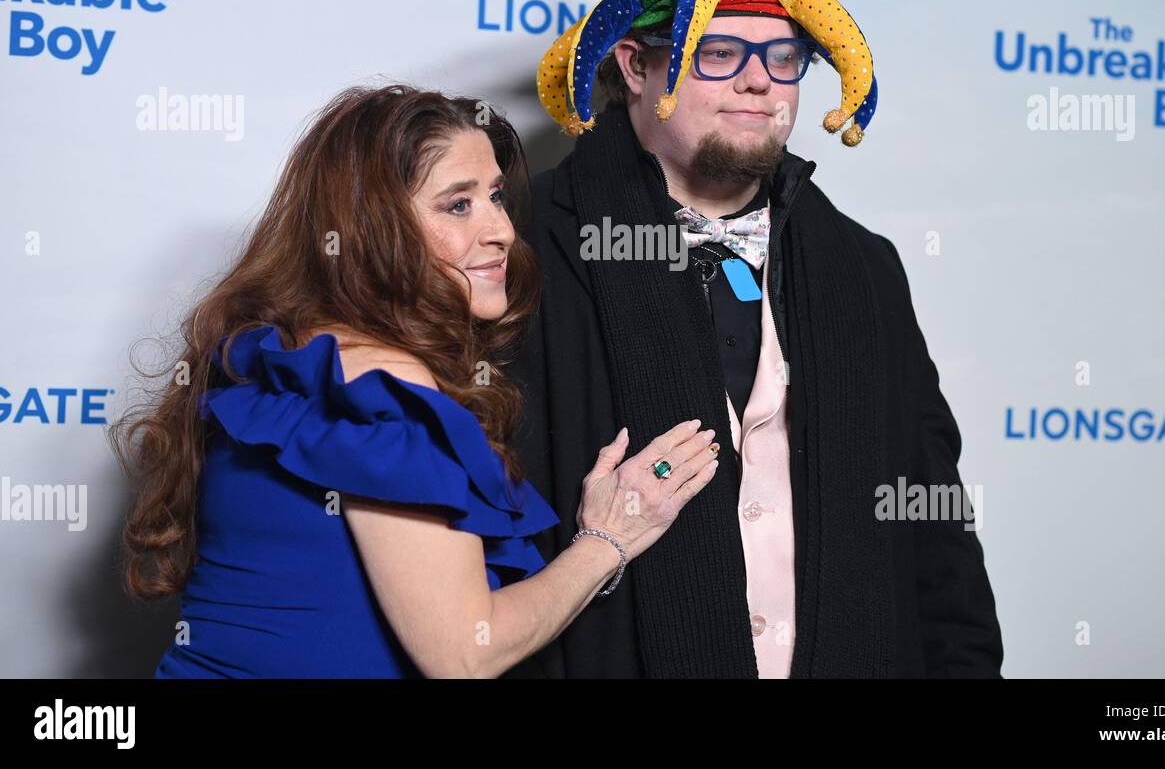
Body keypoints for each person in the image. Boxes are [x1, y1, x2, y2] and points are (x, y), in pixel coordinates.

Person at [505, 0, 1003, 677]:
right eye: (720, 51)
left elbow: (934, 536)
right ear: (633, 64)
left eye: (784, 59)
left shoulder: (861, 267)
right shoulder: (526, 246)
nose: (757, 83)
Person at [110, 85, 720, 678]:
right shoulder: (383, 387)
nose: (502, 230)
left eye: (497, 197)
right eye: (458, 205)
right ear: (374, 229)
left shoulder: (292, 354)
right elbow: (464, 655)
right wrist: (608, 539)